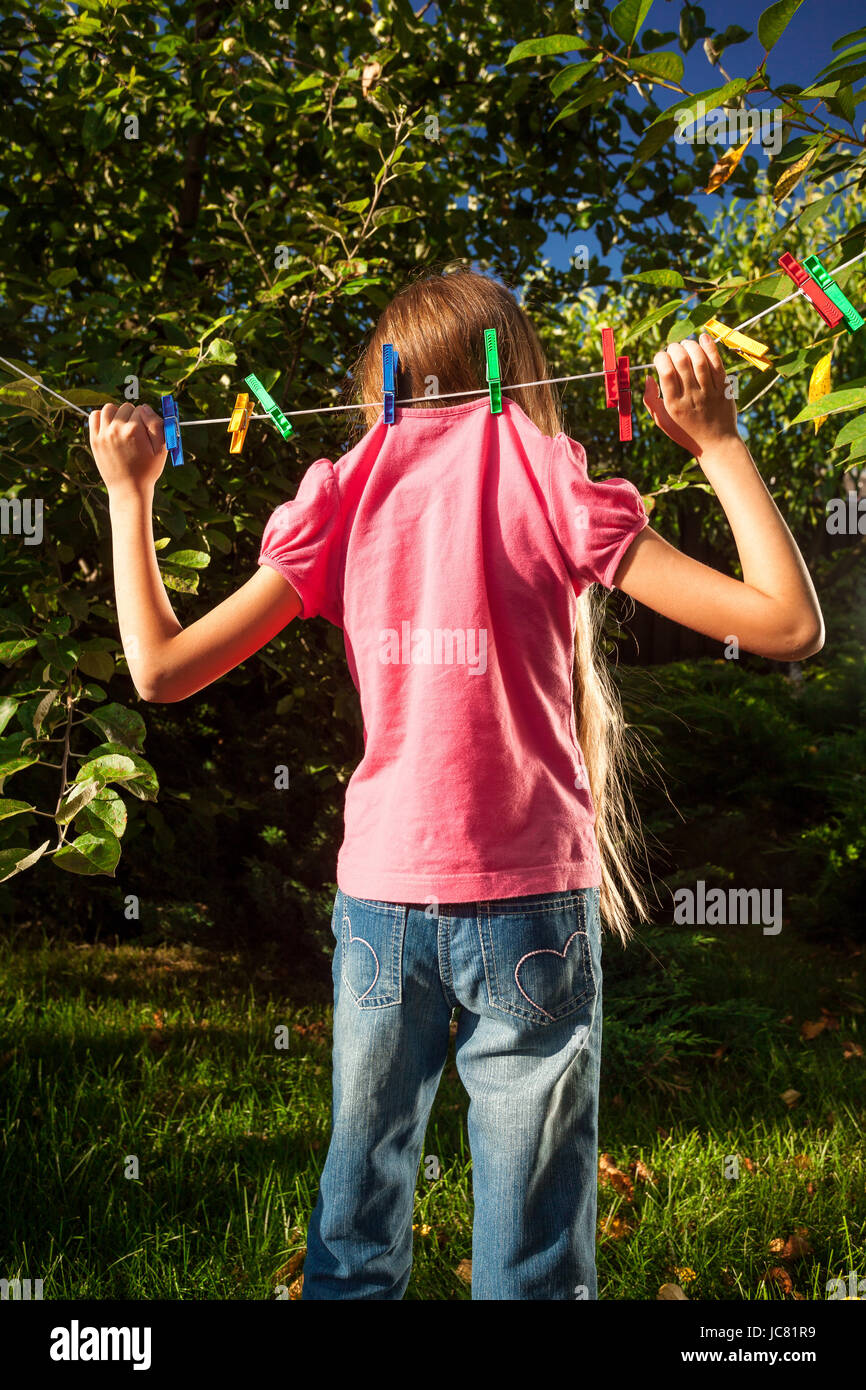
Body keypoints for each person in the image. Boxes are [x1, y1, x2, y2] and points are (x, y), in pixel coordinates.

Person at [88, 267, 824, 1301]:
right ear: (517, 368)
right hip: (528, 902)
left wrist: (131, 494)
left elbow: (159, 671)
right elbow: (787, 625)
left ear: (381, 379)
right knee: (530, 1247)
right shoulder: (543, 476)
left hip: (382, 902)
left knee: (355, 1211)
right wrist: (716, 442)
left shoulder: (342, 490)